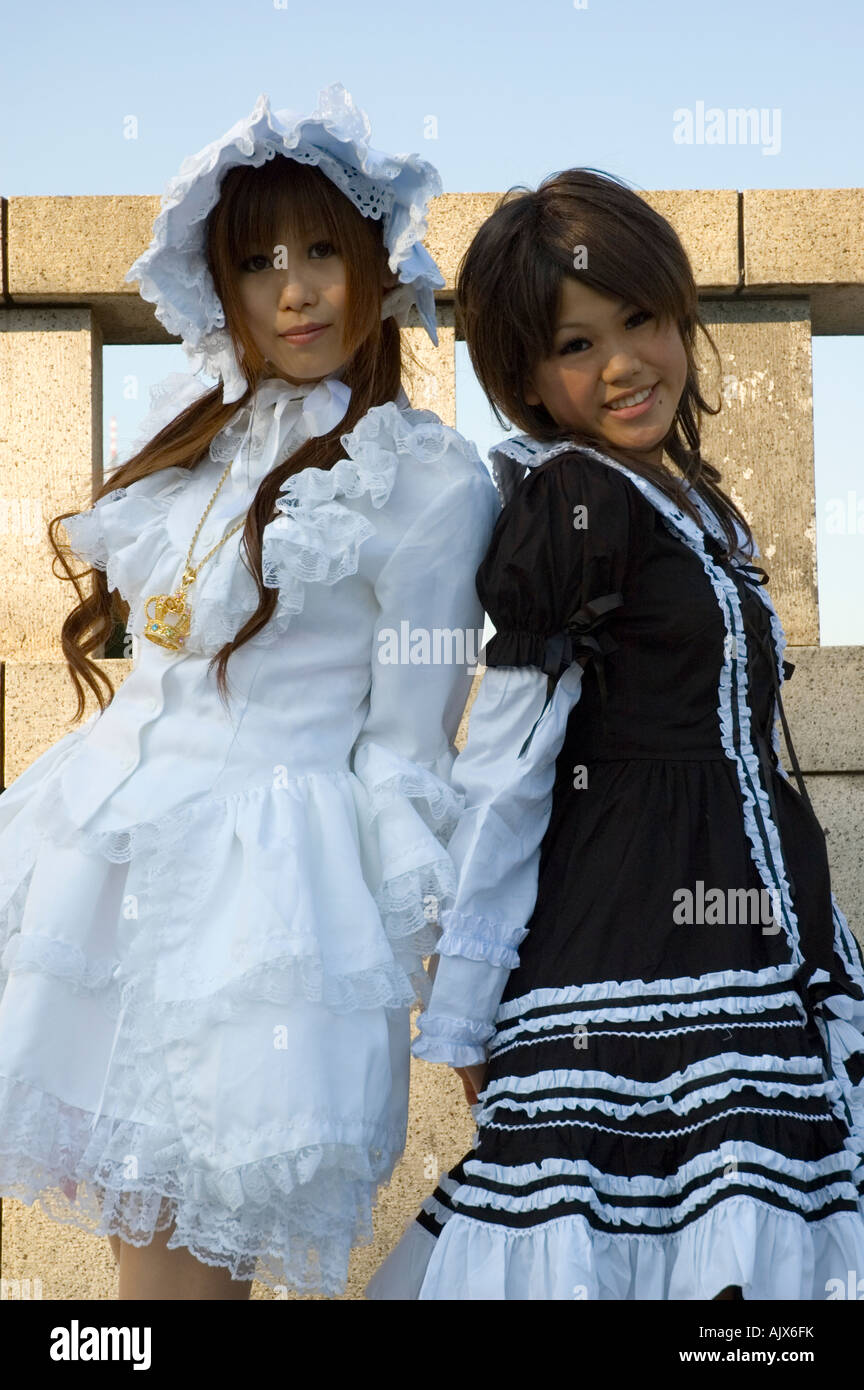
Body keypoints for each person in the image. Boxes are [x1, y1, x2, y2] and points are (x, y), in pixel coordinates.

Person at [0, 83, 499, 1300]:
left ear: (378, 263)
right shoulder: (205, 439)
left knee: (190, 1278)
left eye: (324, 248)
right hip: (102, 865)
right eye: (260, 260)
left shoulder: (430, 481)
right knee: (145, 1270)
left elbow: (406, 754)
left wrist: (448, 978)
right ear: (218, 289)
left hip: (262, 910)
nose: (296, 289)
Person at [366, 169, 864, 1301]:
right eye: (576, 346)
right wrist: (468, 995)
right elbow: (502, 767)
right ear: (529, 381)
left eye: (639, 320)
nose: (624, 363)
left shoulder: (692, 499)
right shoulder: (573, 503)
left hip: (761, 930)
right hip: (632, 947)